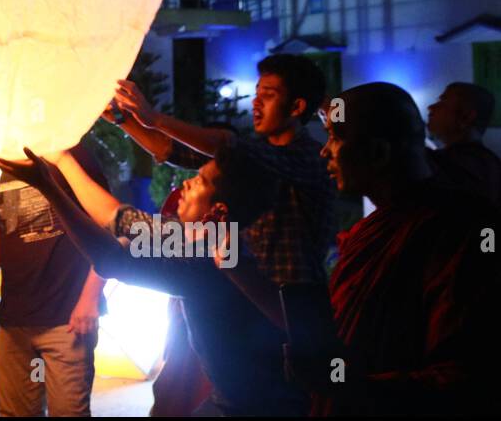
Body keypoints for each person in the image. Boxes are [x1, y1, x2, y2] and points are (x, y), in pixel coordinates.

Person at [0, 144, 311, 416]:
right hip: (237, 399)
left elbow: (113, 246)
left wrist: (52, 181)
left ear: (219, 211)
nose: (185, 184)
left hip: (258, 406)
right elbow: (119, 229)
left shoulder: (210, 253)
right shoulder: (218, 240)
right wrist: (60, 161)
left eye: (199, 182)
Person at [299, 82, 501, 415]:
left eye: (336, 138)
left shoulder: (461, 234)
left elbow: (467, 379)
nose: (325, 151)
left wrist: (350, 386)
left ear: (379, 153)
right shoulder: (373, 230)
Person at [110, 53, 334, 287]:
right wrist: (119, 117)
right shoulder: (258, 154)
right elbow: (173, 151)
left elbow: (226, 145)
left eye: (268, 95)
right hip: (253, 294)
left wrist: (154, 118)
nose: (256, 102)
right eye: (257, 93)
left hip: (293, 301)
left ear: (297, 106)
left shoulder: (310, 157)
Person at [0, 141, 105, 417]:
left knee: (69, 412)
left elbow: (104, 229)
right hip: (15, 319)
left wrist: (90, 299)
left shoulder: (67, 155)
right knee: (15, 413)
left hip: (68, 318)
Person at [427, 81, 501, 232]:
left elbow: (486, 230)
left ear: (466, 116)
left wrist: (485, 251)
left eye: (443, 101)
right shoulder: (487, 163)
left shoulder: (459, 165)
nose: (431, 107)